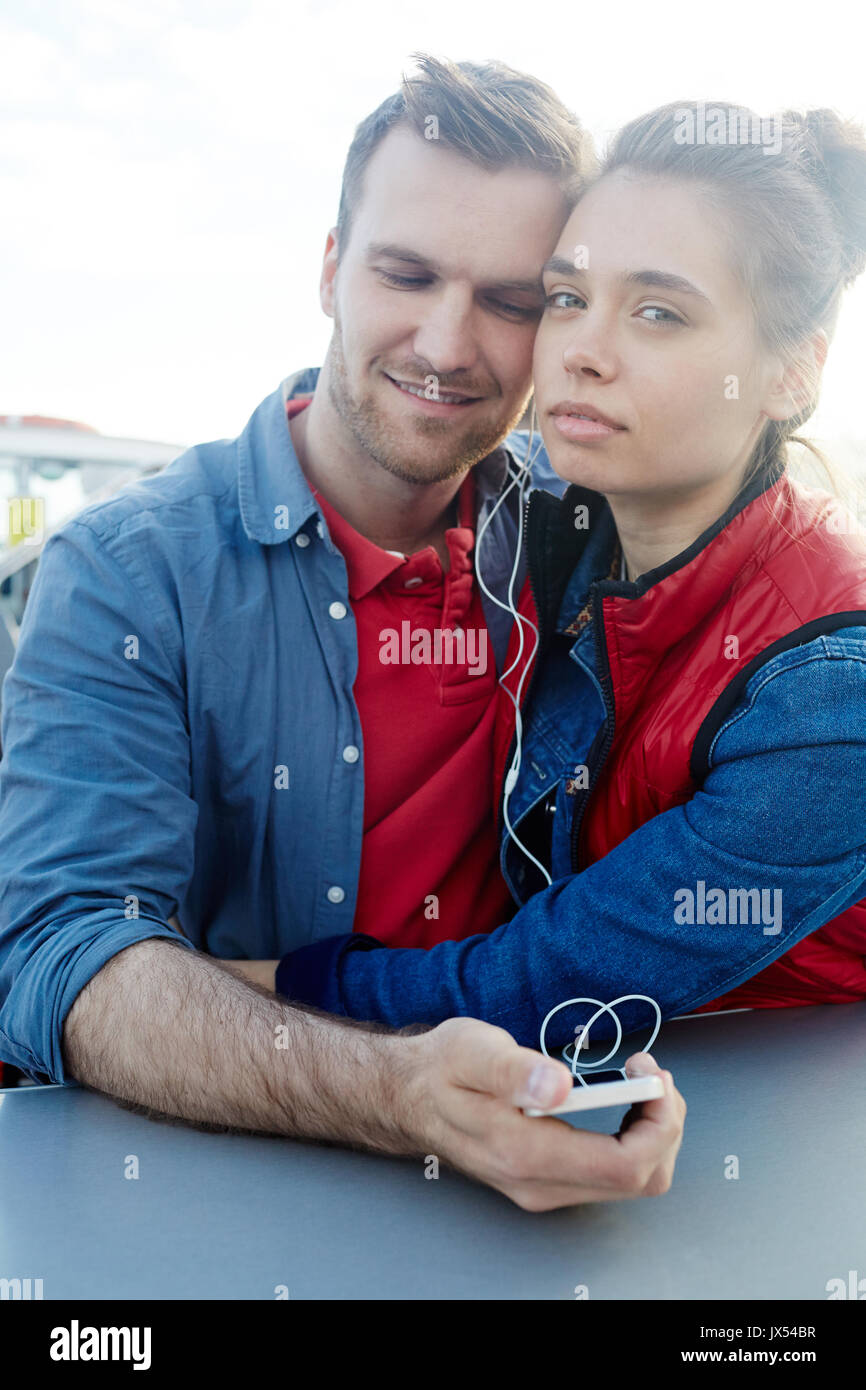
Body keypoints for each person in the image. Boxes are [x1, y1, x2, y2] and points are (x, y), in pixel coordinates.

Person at [0, 56, 685, 1212]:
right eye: (405, 273)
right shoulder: (126, 572)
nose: (446, 343)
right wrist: (396, 1093)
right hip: (221, 1187)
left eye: (512, 302)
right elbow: (64, 956)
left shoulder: (584, 534)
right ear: (328, 269)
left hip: (533, 1179)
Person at [275, 100, 866, 1049]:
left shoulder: (832, 694)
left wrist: (259, 987)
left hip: (775, 1150)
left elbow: (542, 984)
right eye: (564, 298)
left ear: (794, 372)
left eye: (660, 313)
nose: (582, 354)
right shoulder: (558, 537)